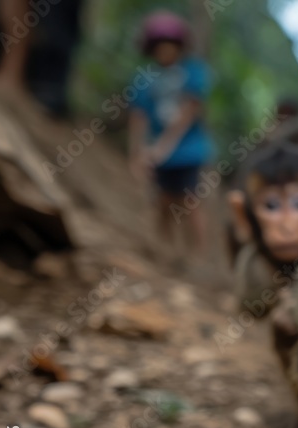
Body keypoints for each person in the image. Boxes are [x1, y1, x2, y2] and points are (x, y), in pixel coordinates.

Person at [128, 10, 213, 257]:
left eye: (170, 46)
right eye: (160, 47)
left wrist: (164, 145)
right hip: (158, 155)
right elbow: (139, 117)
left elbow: (189, 111)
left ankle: (198, 257)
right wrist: (136, 153)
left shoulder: (194, 71)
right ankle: (163, 252)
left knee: (190, 202)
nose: (165, 52)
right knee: (163, 202)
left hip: (189, 151)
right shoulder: (143, 79)